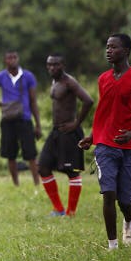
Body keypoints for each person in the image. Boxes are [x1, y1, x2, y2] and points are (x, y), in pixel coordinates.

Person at [79, 34, 131, 250]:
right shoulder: (103, 79)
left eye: (114, 47)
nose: (108, 51)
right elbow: (105, 114)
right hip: (105, 145)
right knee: (108, 193)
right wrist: (93, 137)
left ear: (126, 51)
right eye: (107, 47)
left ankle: (129, 222)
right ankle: (112, 246)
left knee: (125, 201)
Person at [38, 54, 94, 216]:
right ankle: (58, 209)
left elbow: (88, 101)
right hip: (56, 131)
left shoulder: (70, 82)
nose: (51, 68)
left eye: (55, 65)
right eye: (49, 65)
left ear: (62, 65)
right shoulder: (54, 81)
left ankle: (71, 212)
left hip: (70, 132)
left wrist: (76, 123)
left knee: (72, 171)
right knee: (43, 167)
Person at [0, 50, 42, 186]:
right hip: (8, 120)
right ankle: (16, 184)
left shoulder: (28, 76)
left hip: (25, 118)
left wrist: (38, 124)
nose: (12, 60)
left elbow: (33, 101)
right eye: (9, 58)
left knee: (31, 154)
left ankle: (37, 184)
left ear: (18, 59)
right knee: (10, 154)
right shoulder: (0, 77)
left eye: (14, 57)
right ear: (5, 60)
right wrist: (1, 105)